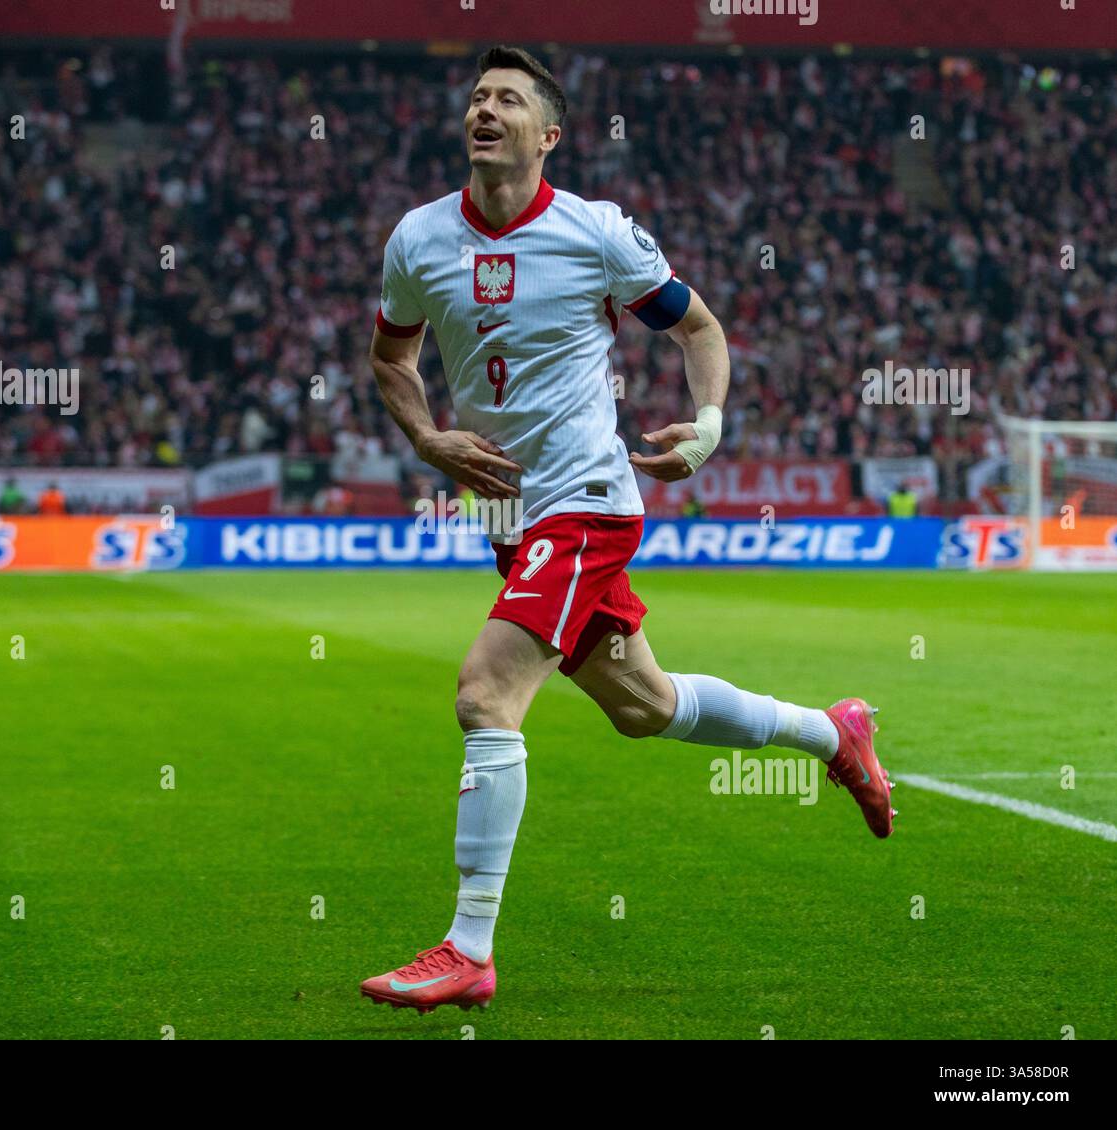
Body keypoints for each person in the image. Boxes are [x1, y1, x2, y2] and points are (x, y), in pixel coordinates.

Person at [360, 46, 896, 1015]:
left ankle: (467, 947)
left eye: (508, 99)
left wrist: (710, 425)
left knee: (485, 695)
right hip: (508, 512)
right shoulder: (417, 238)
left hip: (585, 501)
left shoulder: (594, 232)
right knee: (642, 705)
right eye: (477, 96)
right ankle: (834, 733)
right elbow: (390, 356)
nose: (485, 109)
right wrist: (427, 435)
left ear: (547, 133)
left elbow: (699, 328)